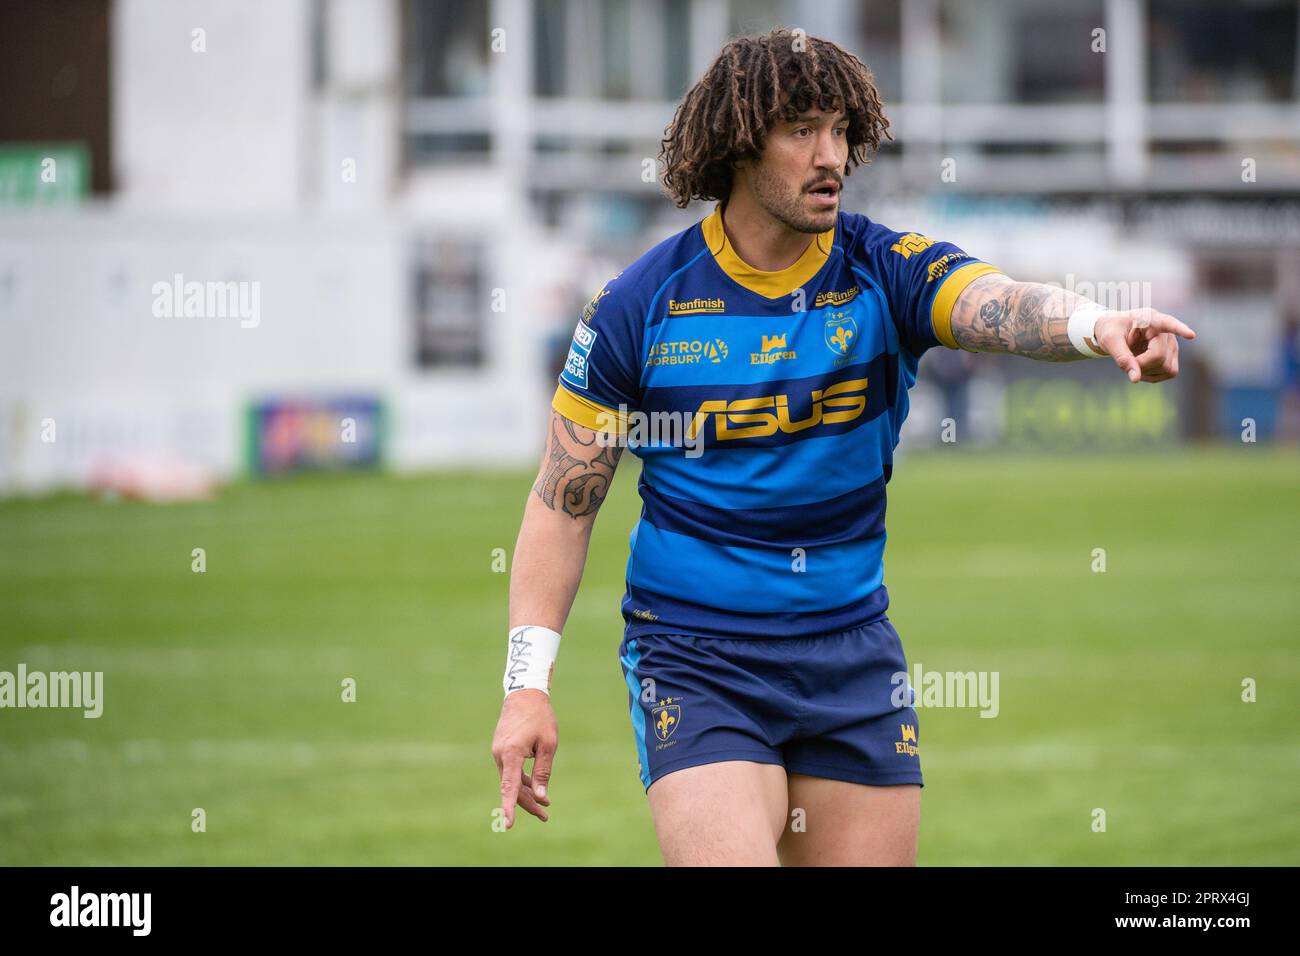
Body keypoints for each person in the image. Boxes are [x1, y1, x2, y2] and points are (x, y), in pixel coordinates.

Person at [491, 27, 1194, 866]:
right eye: (801, 132)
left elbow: (992, 302)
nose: (832, 156)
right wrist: (525, 687)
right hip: (696, 656)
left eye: (840, 130)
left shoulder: (882, 269)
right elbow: (563, 505)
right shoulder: (639, 305)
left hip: (851, 654)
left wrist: (1095, 325)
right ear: (740, 143)